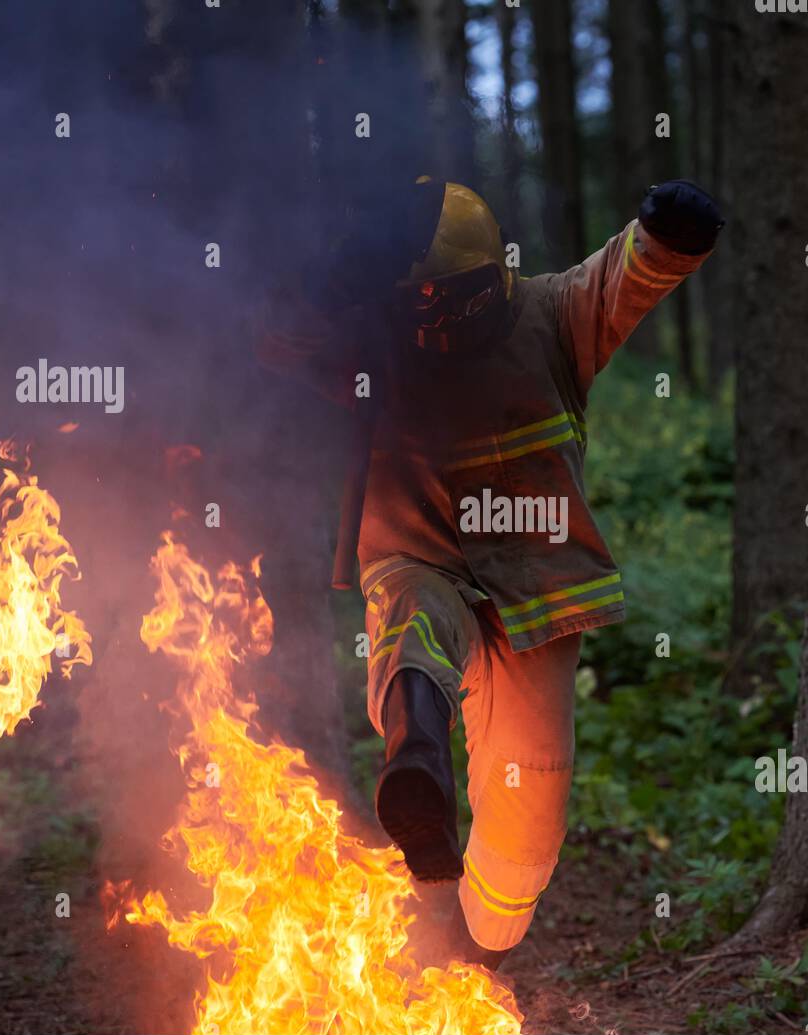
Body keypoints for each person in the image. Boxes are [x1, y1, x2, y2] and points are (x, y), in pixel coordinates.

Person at [259, 176, 722, 968]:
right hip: (418, 555)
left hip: (541, 595)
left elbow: (623, 275)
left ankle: (479, 946)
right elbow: (267, 337)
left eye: (450, 297)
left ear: (492, 278)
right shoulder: (371, 339)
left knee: (528, 805)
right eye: (419, 301)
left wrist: (670, 232)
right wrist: (332, 285)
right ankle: (418, 771)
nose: (433, 318)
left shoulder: (552, 314)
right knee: (413, 623)